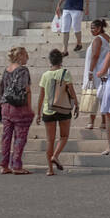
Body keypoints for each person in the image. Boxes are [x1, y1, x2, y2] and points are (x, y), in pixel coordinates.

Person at [35, 48, 78, 176]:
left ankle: (50, 169)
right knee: (64, 136)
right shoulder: (66, 73)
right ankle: (55, 155)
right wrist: (76, 103)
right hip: (63, 108)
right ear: (61, 60)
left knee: (50, 140)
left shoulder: (45, 75)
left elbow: (41, 96)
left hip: (48, 110)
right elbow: (71, 90)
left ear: (50, 60)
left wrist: (38, 113)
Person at [0, 45, 34, 175]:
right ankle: (16, 165)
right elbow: (26, 90)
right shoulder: (23, 71)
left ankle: (4, 165)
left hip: (5, 106)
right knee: (20, 136)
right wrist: (30, 108)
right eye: (25, 55)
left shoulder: (6, 70)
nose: (27, 57)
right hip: (19, 107)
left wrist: (0, 103)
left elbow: (1, 88)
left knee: (6, 137)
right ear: (19, 56)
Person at [83, 18, 110, 132]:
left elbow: (95, 56)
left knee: (93, 96)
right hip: (105, 71)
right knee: (103, 96)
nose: (91, 30)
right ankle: (104, 122)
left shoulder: (98, 39)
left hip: (96, 71)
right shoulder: (107, 38)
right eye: (91, 28)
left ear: (99, 28)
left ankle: (91, 121)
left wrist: (90, 72)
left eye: (93, 28)